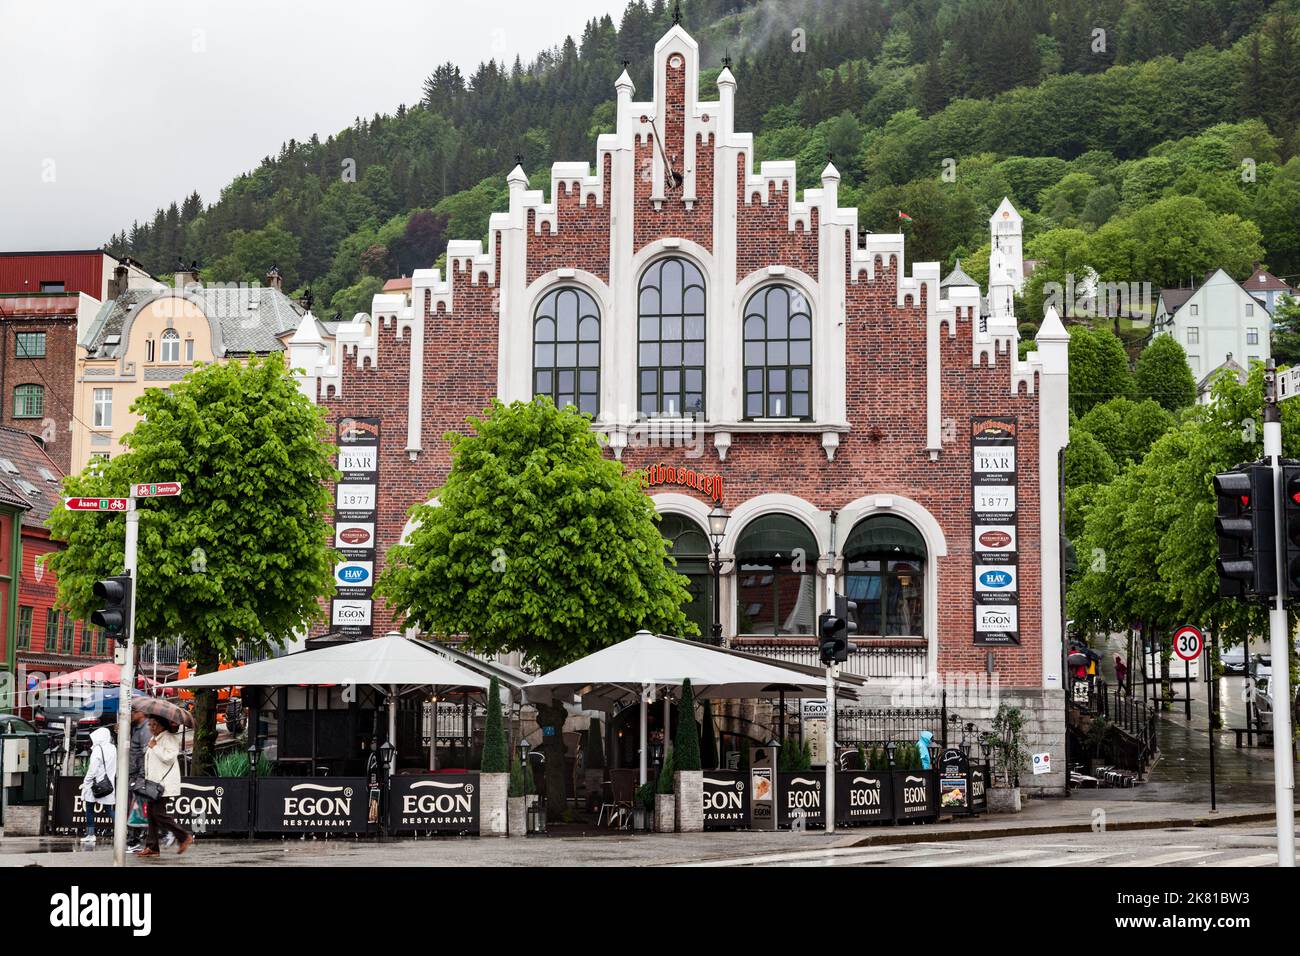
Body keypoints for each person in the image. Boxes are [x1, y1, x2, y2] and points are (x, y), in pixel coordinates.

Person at [139, 717, 193, 858]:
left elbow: (169, 758)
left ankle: (184, 836)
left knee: (158, 813)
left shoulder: (168, 738)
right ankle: (152, 847)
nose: (151, 727)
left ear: (162, 725)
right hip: (154, 784)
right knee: (151, 814)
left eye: (154, 724)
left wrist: (154, 747)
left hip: (164, 785)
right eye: (150, 724)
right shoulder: (155, 738)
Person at [78, 726, 116, 847]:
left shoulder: (97, 749)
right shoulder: (113, 748)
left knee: (89, 808)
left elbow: (92, 769)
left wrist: (86, 782)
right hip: (108, 784)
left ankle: (90, 834)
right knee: (109, 810)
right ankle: (123, 831)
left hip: (95, 783)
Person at [126, 708, 152, 852]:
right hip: (134, 775)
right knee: (135, 809)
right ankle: (134, 839)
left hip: (137, 776)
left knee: (134, 809)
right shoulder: (136, 729)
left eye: (133, 711)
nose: (130, 714)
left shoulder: (145, 730)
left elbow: (145, 755)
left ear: (141, 713)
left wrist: (141, 777)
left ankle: (133, 841)